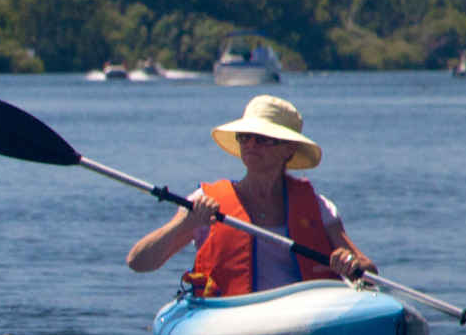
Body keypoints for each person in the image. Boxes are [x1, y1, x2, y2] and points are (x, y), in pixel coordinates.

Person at [125, 93, 376, 296]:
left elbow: (369, 272)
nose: (251, 144)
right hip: (230, 318)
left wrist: (350, 264)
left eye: (263, 139)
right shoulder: (203, 201)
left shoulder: (320, 208)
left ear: (288, 149)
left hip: (306, 317)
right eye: (245, 137)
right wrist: (186, 223)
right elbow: (138, 262)